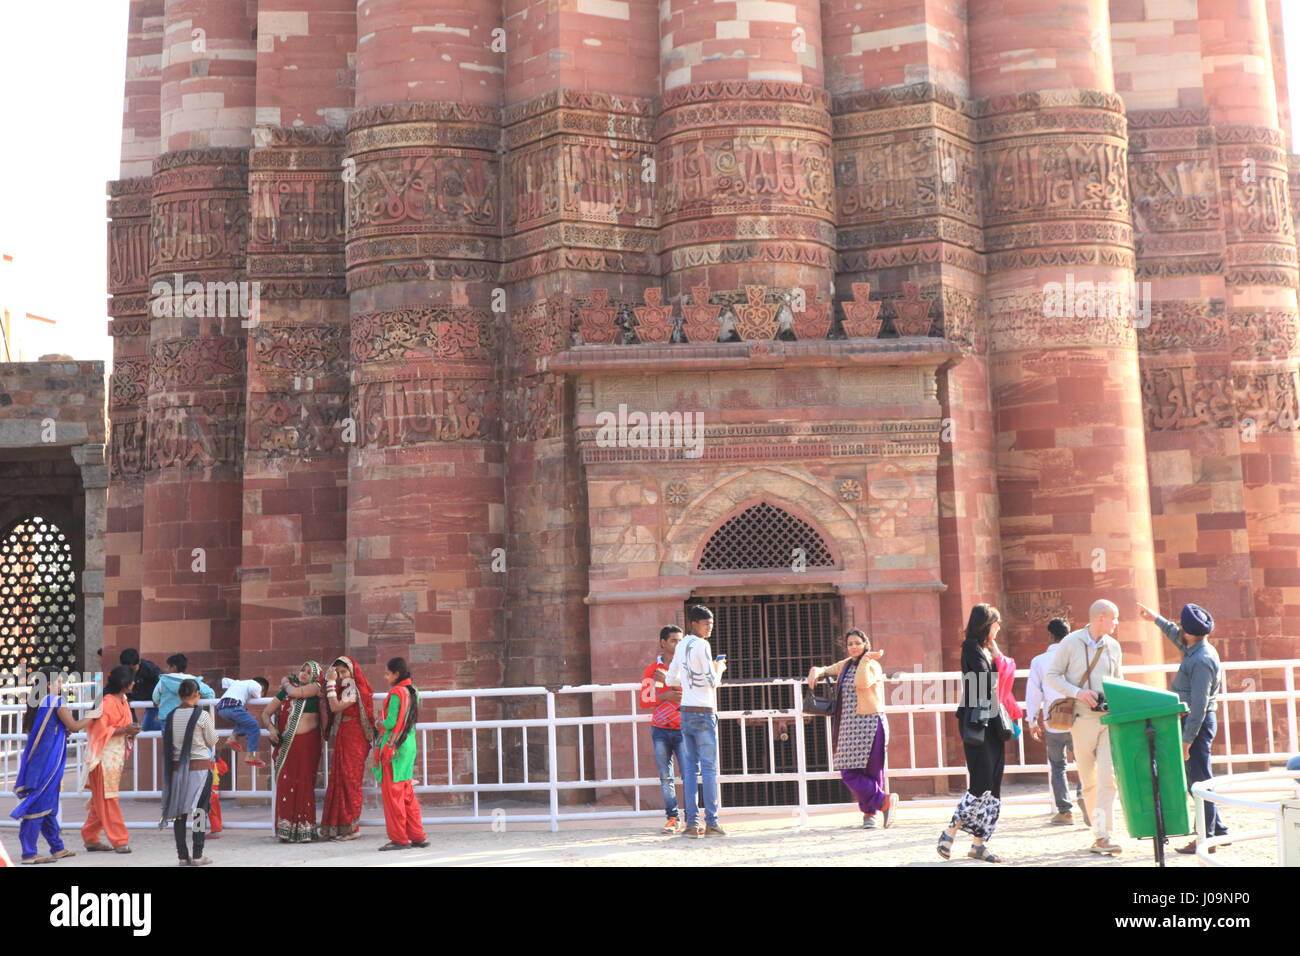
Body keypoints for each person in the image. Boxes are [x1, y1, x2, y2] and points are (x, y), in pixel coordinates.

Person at [1137, 601, 1229, 854]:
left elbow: (1199, 705)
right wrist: (1154, 618)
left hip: (1195, 724)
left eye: (1181, 627)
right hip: (1193, 722)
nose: (1178, 630)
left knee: (1198, 782)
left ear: (1189, 632)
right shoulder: (1196, 648)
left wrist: (1187, 740)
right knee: (1199, 777)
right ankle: (1219, 831)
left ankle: (1205, 838)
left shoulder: (1201, 659)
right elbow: (1175, 636)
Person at [1047, 599, 1124, 855]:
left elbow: (1119, 682)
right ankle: (1098, 832)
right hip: (1080, 719)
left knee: (1108, 776)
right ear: (1100, 618)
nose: (1117, 623)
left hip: (1107, 718)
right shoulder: (1071, 643)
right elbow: (1053, 676)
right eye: (1114, 618)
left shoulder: (1114, 647)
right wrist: (1079, 692)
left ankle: (1103, 835)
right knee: (1088, 779)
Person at [939, 604, 1008, 863]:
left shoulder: (986, 650)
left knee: (994, 785)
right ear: (985, 624)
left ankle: (980, 843)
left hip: (992, 722)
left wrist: (996, 654)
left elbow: (994, 682)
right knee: (980, 783)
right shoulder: (970, 647)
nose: (999, 628)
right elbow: (984, 682)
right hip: (977, 722)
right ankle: (950, 831)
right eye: (996, 623)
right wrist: (997, 661)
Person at [807, 629, 896, 829]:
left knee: (872, 772)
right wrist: (817, 670)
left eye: (857, 643)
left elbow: (861, 683)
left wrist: (865, 660)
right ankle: (883, 801)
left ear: (865, 644)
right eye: (850, 644)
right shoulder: (846, 665)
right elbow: (827, 669)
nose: (854, 647)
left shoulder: (873, 665)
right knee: (848, 771)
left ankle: (869, 815)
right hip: (849, 727)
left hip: (871, 725)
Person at [10, 672, 91, 863]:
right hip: (48, 763)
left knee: (46, 805)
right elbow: (75, 725)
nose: (62, 684)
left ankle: (57, 847)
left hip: (38, 762)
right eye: (60, 681)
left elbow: (39, 731)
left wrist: (61, 731)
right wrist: (95, 715)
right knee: (38, 804)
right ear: (49, 685)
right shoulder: (55, 701)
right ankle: (29, 853)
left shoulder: (36, 704)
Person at [665, 605, 726, 839]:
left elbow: (672, 678)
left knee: (690, 770)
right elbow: (712, 681)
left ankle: (691, 824)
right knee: (709, 769)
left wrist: (688, 682)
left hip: (686, 711)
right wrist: (719, 668)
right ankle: (712, 823)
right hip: (704, 710)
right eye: (706, 624)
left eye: (711, 623)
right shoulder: (703, 645)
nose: (709, 627)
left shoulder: (681, 645)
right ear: (695, 624)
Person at [261, 661, 330, 843]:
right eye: (303, 670)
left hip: (307, 746)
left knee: (304, 784)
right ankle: (286, 831)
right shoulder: (286, 692)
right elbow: (265, 714)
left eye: (309, 672)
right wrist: (271, 729)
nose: (304, 674)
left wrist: (285, 682)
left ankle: (304, 830)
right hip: (287, 746)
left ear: (315, 677)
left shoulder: (316, 690)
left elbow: (294, 692)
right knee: (286, 785)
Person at [1025, 618, 1085, 825]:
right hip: (1077, 718)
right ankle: (1084, 796)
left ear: (1050, 635)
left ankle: (1065, 811)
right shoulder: (1076, 657)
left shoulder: (1039, 661)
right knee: (1084, 762)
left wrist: (1031, 720)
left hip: (1053, 720)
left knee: (1058, 765)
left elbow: (1033, 693)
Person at [80, 664, 142, 854]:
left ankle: (90, 837)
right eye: (131, 680)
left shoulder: (122, 699)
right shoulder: (106, 702)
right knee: (108, 800)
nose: (134, 683)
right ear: (124, 683)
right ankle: (120, 840)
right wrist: (125, 730)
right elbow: (98, 730)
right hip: (102, 757)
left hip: (114, 756)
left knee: (102, 801)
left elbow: (124, 724)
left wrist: (131, 730)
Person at [159, 679, 217, 866]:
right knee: (200, 812)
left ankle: (182, 856)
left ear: (179, 695)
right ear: (196, 694)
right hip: (200, 769)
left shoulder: (171, 716)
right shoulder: (202, 716)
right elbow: (212, 740)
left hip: (176, 770)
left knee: (179, 814)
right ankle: (198, 854)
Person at [373, 657, 428, 850]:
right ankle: (418, 836)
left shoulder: (396, 693)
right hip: (409, 745)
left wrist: (379, 722)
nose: (386, 677)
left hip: (394, 747)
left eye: (388, 673)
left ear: (396, 674)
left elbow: (391, 722)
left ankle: (399, 839)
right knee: (406, 793)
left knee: (393, 794)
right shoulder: (414, 691)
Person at [320, 655, 376, 841]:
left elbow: (335, 706)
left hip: (355, 736)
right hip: (345, 734)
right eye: (338, 672)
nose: (341, 675)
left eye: (344, 671)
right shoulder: (343, 687)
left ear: (352, 671)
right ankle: (340, 827)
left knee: (350, 780)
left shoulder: (354, 688)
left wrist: (329, 683)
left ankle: (353, 828)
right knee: (339, 778)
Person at [640, 625, 686, 833]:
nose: (678, 644)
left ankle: (693, 818)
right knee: (666, 777)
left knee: (689, 774)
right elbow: (645, 699)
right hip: (660, 729)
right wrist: (666, 695)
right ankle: (672, 817)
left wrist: (669, 687)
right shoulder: (653, 669)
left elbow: (694, 694)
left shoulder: (686, 666)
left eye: (680, 640)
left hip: (684, 727)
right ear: (663, 643)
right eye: (674, 640)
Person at [216, 675, 269, 767]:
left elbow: (225, 681)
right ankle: (250, 755)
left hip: (221, 709)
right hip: (234, 707)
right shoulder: (254, 684)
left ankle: (233, 737)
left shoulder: (237, 682)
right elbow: (257, 695)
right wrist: (258, 695)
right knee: (254, 726)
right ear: (262, 687)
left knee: (245, 721)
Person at [153, 654, 216, 723]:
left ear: (174, 667)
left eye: (168, 666)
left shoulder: (163, 681)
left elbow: (155, 698)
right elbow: (210, 694)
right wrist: (205, 709)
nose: (166, 669)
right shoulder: (194, 681)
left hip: (167, 719)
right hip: (188, 719)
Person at [120, 649, 163, 732]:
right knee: (132, 726)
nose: (132, 672)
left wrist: (157, 697)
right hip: (131, 698)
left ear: (139, 662)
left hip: (152, 698)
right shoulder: (121, 671)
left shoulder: (150, 669)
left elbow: (162, 683)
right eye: (129, 670)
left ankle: (169, 726)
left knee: (147, 726)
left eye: (134, 668)